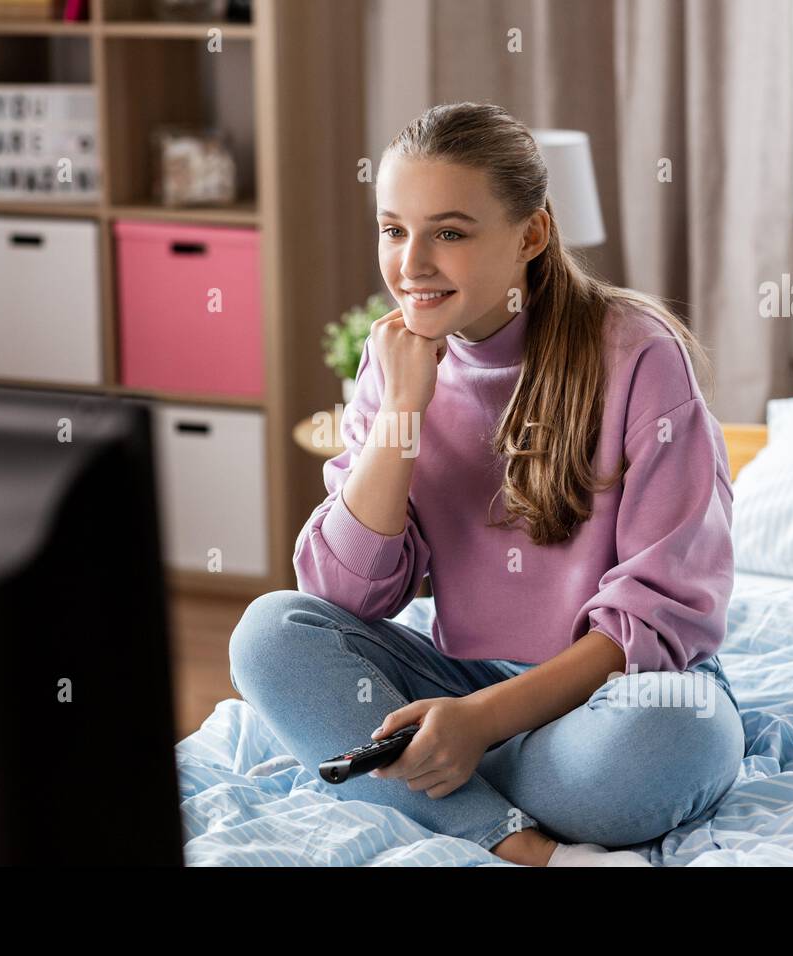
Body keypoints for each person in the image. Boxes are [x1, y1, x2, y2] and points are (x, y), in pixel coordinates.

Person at [229, 101, 744, 867]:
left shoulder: (638, 353)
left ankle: (422, 780)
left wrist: (478, 724)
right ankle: (522, 845)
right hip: (460, 680)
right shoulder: (395, 359)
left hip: (616, 697)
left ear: (531, 235)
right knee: (270, 636)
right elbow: (342, 597)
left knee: (672, 737)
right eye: (394, 229)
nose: (412, 264)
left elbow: (661, 616)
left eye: (450, 232)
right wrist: (405, 407)